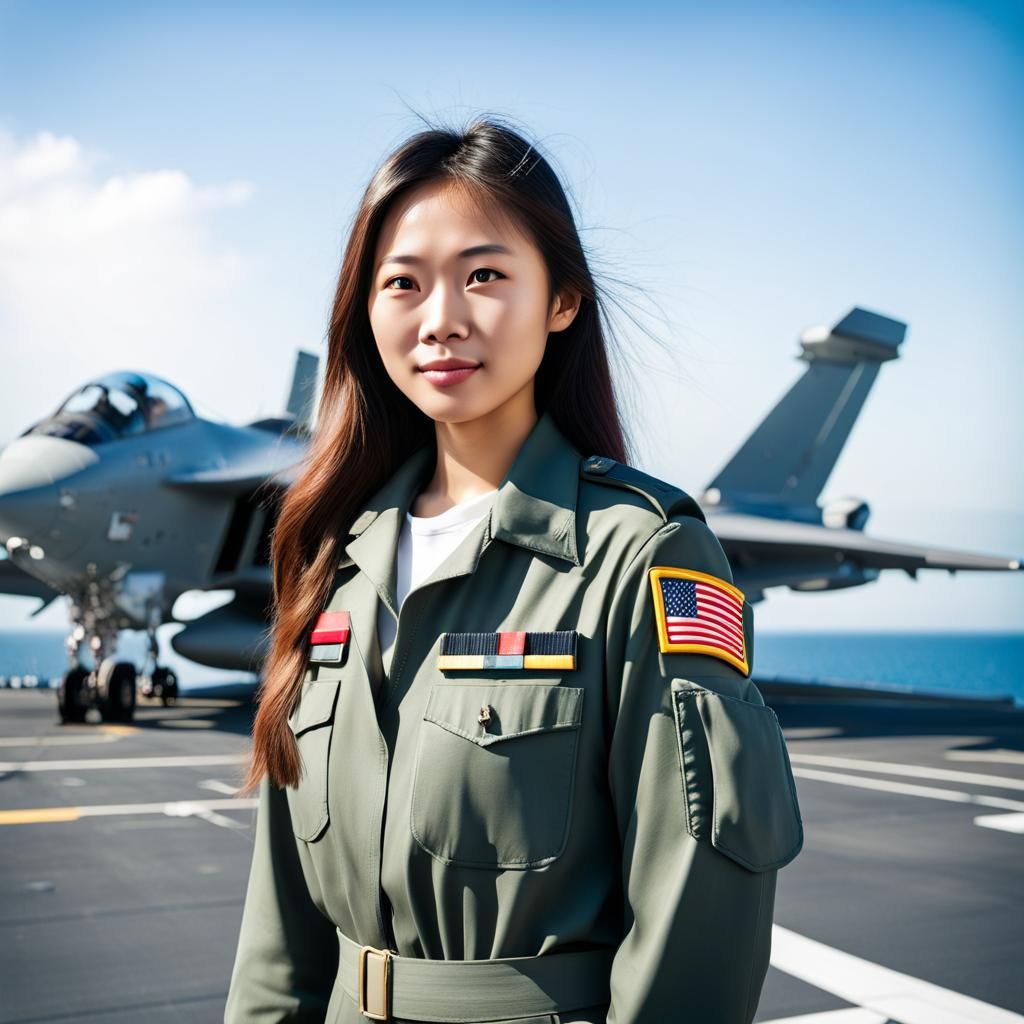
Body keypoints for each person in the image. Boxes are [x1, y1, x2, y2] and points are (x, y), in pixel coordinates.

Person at [224, 116, 804, 1024]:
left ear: (562, 300)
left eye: (485, 276)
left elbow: (700, 906)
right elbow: (279, 922)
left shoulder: (641, 554)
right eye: (402, 284)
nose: (441, 319)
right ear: (365, 310)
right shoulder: (331, 557)